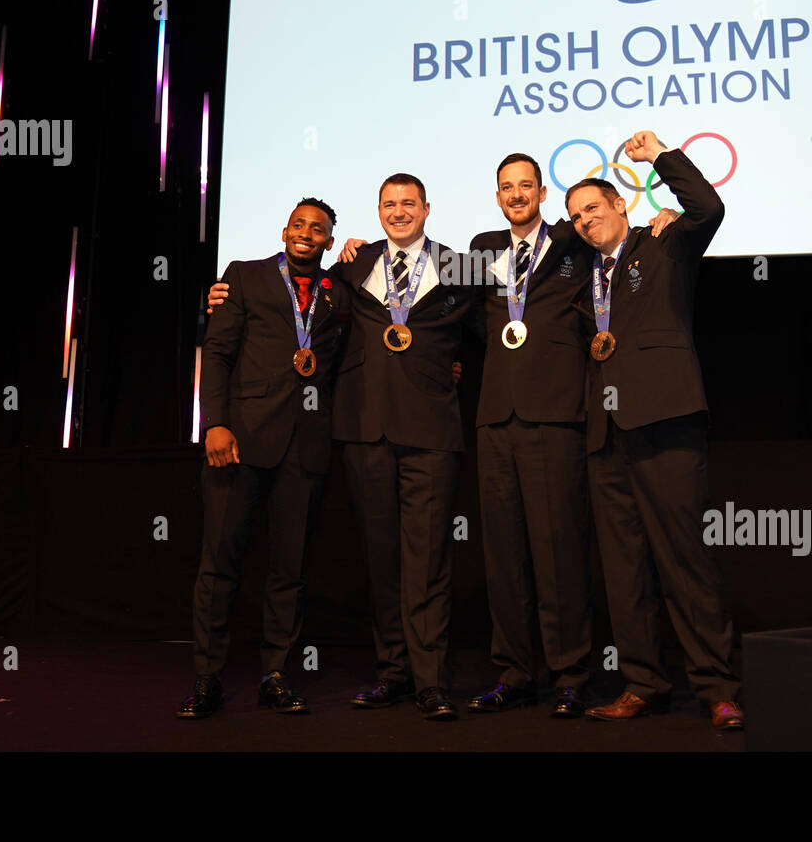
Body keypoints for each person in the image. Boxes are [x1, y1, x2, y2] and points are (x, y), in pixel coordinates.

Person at [464, 154, 677, 718]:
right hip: (494, 420)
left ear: (541, 192)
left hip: (558, 417)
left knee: (559, 552)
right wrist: (353, 256)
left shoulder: (574, 241)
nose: (516, 195)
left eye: (526, 186)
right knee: (503, 557)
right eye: (506, 186)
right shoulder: (483, 249)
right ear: (497, 195)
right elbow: (417, 282)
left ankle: (568, 676)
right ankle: (514, 673)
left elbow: (621, 246)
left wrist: (669, 218)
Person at [565, 130, 744, 730]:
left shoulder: (665, 243)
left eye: (594, 208)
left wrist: (661, 156)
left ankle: (718, 689)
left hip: (665, 421)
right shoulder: (582, 278)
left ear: (621, 204)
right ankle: (643, 683)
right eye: (576, 217)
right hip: (606, 436)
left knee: (684, 561)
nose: (586, 221)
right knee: (624, 570)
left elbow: (710, 208)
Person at [178, 199, 349, 720]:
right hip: (241, 442)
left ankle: (275, 675)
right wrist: (215, 423)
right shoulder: (243, 277)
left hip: (307, 445)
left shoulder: (339, 291)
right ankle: (207, 679)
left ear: (326, 241)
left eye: (318, 229)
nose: (306, 233)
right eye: (299, 224)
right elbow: (219, 350)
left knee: (289, 570)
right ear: (284, 230)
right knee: (220, 564)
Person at [324, 173, 472, 720]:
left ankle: (431, 681)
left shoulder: (461, 267)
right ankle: (393, 672)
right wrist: (224, 292)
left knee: (428, 560)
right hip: (366, 429)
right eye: (390, 204)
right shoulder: (352, 266)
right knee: (382, 558)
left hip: (431, 430)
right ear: (378, 210)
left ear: (428, 208)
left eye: (409, 203)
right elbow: (302, 297)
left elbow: (498, 324)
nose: (399, 211)